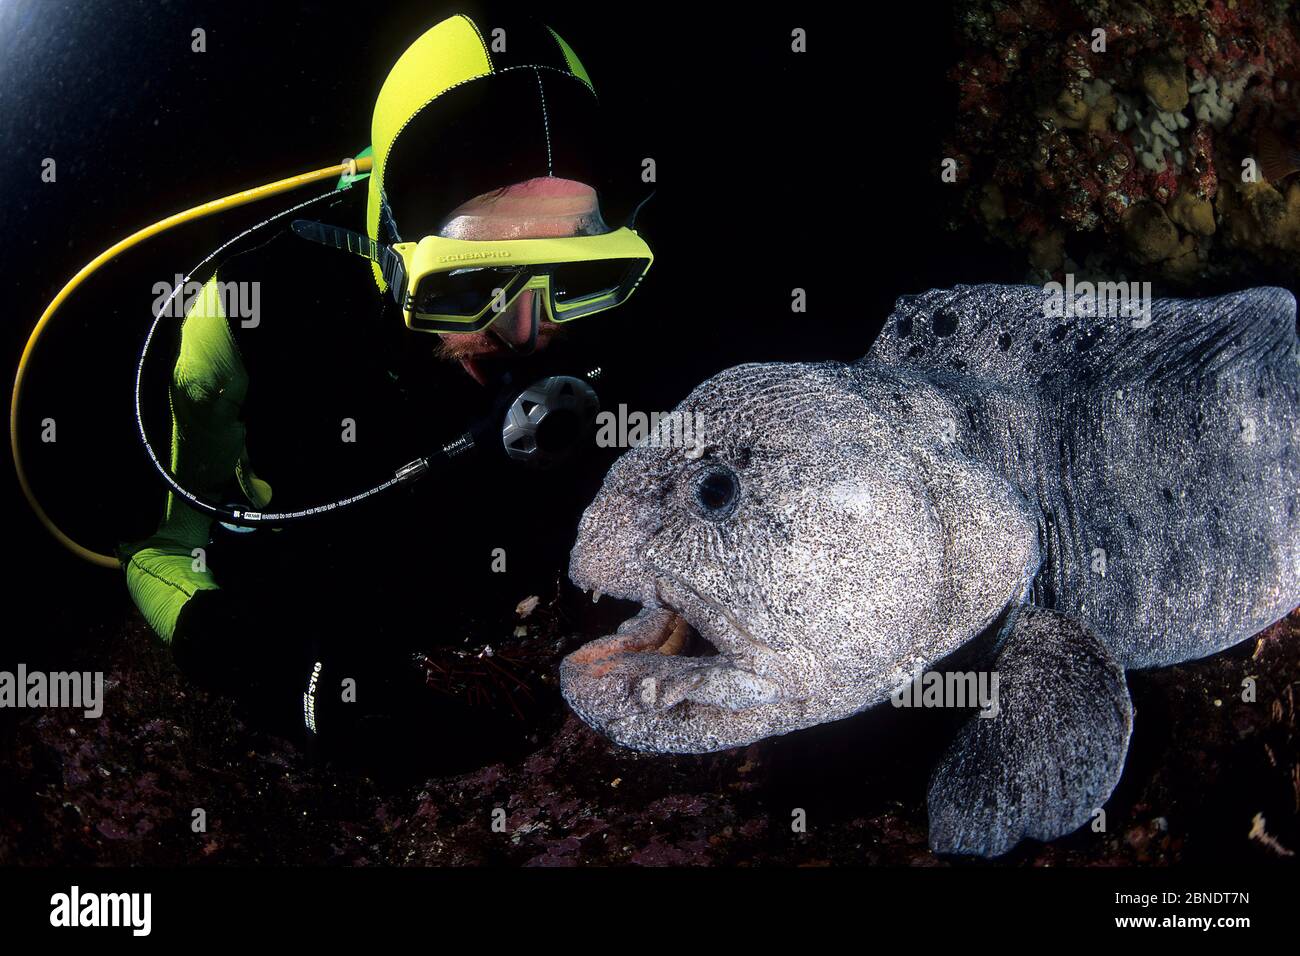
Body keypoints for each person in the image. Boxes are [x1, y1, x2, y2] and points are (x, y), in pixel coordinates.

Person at [122, 14, 653, 770]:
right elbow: (160, 545)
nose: (527, 332)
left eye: (577, 274)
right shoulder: (245, 318)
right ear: (389, 240)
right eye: (469, 282)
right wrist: (258, 665)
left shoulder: (634, 314)